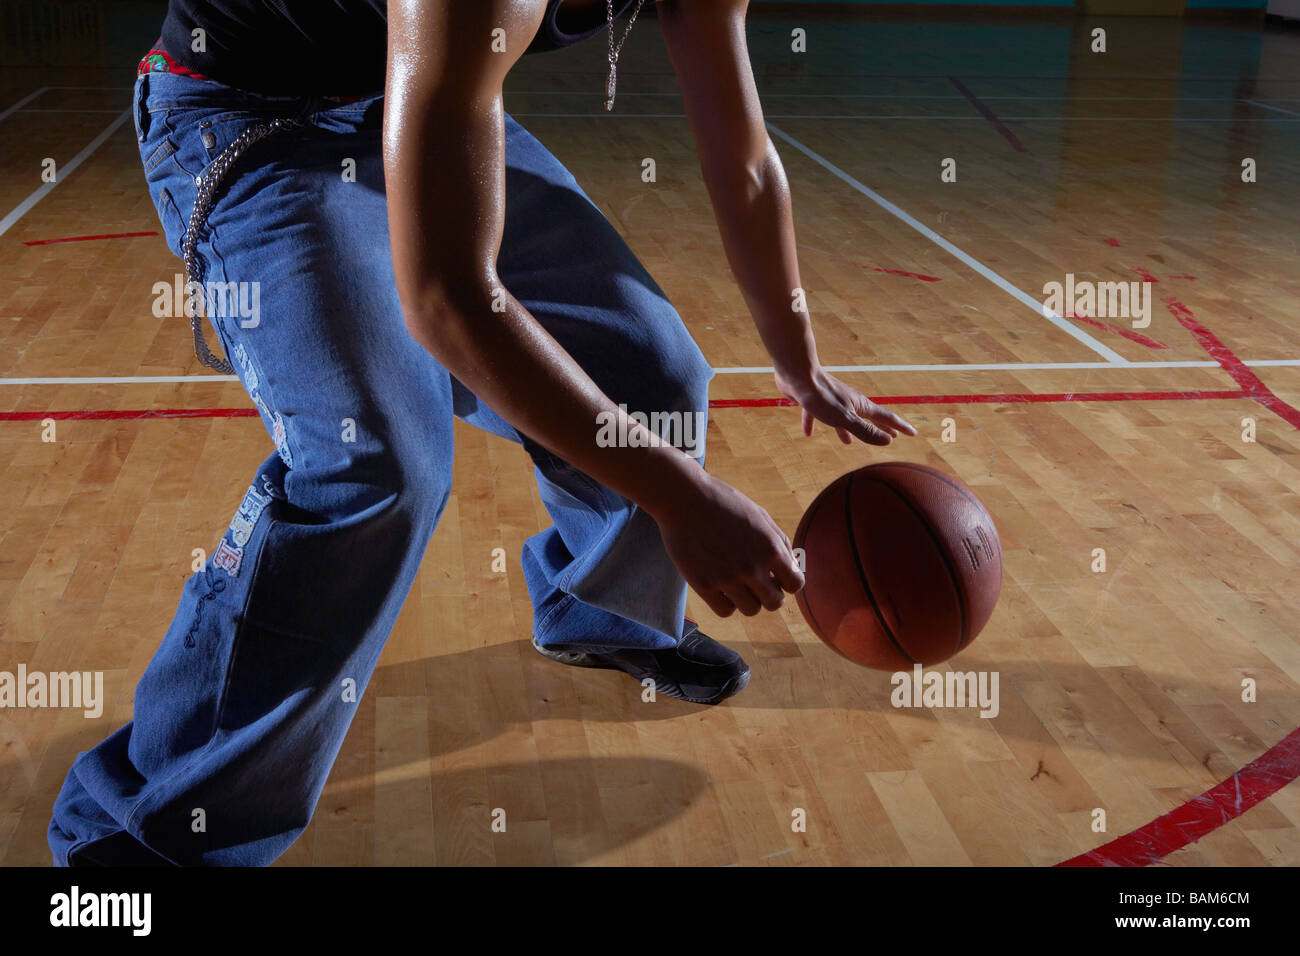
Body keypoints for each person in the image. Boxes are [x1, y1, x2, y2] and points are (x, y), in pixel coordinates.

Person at [48, 0, 915, 866]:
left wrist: (797, 359)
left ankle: (600, 609)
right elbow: (450, 300)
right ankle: (143, 834)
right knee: (377, 464)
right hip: (245, 120)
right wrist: (682, 498)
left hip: (401, 97)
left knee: (657, 378)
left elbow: (747, 161)